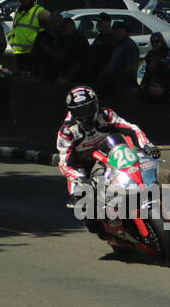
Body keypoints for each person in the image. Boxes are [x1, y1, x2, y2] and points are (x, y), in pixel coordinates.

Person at [56, 85, 156, 223]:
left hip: (111, 155)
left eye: (88, 110)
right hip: (83, 167)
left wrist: (147, 146)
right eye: (79, 112)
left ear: (96, 105)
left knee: (141, 162)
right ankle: (101, 224)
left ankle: (146, 192)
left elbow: (132, 129)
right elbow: (64, 163)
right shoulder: (67, 132)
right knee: (81, 205)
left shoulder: (106, 115)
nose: (85, 116)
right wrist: (81, 178)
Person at [9, 0, 50, 75]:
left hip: (32, 51)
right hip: (18, 51)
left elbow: (47, 29)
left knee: (31, 76)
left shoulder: (39, 10)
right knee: (20, 76)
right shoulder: (19, 10)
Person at [98, 19, 139, 93]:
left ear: (124, 32)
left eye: (117, 31)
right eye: (114, 31)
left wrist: (118, 79)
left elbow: (131, 66)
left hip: (124, 83)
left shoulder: (129, 46)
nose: (115, 33)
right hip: (114, 81)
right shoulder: (118, 43)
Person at [83, 13, 114, 85]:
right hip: (92, 75)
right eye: (97, 22)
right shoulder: (100, 36)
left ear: (108, 23)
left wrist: (101, 76)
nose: (98, 24)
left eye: (100, 22)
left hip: (102, 77)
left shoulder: (111, 38)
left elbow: (110, 60)